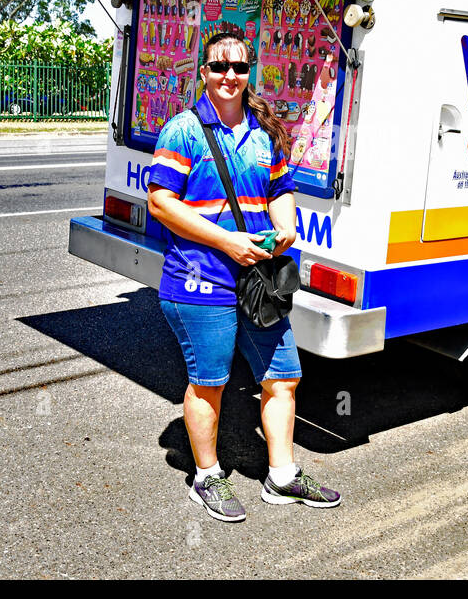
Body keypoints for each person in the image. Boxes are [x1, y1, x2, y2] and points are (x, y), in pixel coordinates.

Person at [146, 31, 342, 522]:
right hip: (200, 278)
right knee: (209, 382)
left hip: (257, 280)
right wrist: (226, 240)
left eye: (238, 66)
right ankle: (207, 476)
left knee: (284, 377)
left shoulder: (263, 131)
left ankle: (282, 478)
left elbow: (281, 186)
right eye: (218, 67)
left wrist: (286, 223)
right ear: (203, 72)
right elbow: (160, 203)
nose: (229, 76)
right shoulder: (183, 131)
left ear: (249, 69)